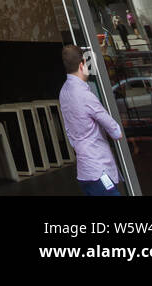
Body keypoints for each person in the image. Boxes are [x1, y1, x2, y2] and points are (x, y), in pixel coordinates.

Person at [59, 45, 124, 196]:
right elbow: (115, 131)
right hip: (98, 168)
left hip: (84, 171)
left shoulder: (64, 91)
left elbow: (68, 130)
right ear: (82, 64)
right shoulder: (84, 95)